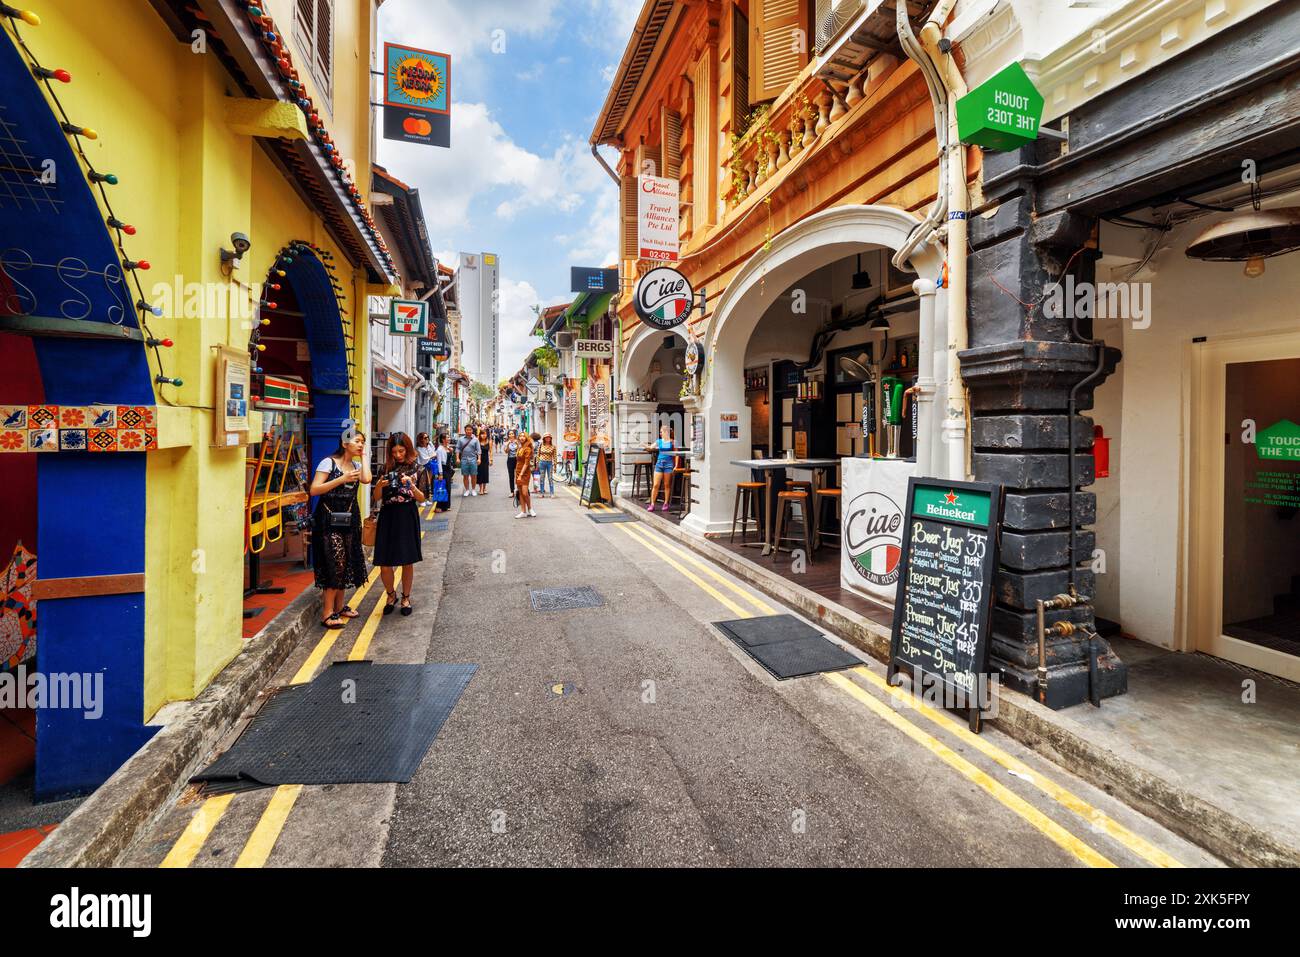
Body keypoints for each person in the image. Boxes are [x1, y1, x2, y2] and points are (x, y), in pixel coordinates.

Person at [309, 428, 372, 628]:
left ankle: (339, 607)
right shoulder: (328, 463)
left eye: (363, 441)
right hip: (328, 520)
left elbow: (367, 479)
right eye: (357, 441)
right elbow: (314, 489)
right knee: (334, 563)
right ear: (344, 443)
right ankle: (327, 612)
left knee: (345, 563)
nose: (361, 444)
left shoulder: (356, 465)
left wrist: (363, 457)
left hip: (349, 519)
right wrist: (341, 479)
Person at [372, 431, 428, 617]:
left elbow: (423, 498)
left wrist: (411, 486)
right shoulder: (385, 468)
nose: (398, 455)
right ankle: (390, 594)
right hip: (388, 515)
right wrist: (380, 484)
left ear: (408, 449)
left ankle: (406, 597)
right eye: (395, 451)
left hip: (407, 514)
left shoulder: (417, 469)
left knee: (407, 560)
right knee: (384, 562)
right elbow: (376, 498)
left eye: (401, 451)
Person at [643, 423, 676, 512]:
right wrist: (644, 445)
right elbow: (650, 448)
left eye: (661, 432)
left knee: (666, 485)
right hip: (659, 464)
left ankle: (666, 503)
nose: (660, 433)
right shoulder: (659, 441)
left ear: (666, 432)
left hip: (668, 465)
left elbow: (676, 454)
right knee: (656, 484)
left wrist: (675, 465)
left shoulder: (672, 442)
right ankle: (652, 504)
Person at [515, 432, 537, 518]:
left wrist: (521, 475)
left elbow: (526, 463)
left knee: (524, 492)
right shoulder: (520, 447)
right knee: (520, 491)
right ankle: (523, 511)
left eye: (523, 436)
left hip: (525, 472)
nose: (521, 438)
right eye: (520, 436)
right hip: (517, 471)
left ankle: (530, 508)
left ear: (526, 438)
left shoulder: (528, 448)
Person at [456, 425, 480, 497]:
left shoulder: (475, 439)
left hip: (473, 459)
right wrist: (457, 458)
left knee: (474, 475)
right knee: (465, 476)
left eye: (470, 430)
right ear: (465, 430)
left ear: (472, 431)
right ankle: (466, 490)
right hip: (464, 460)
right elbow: (458, 449)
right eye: (467, 430)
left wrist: (479, 459)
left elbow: (479, 450)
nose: (469, 431)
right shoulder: (461, 439)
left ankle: (473, 489)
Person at [432, 433, 451, 512]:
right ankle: (438, 506)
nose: (449, 438)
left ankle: (446, 506)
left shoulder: (447, 447)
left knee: (447, 488)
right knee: (442, 487)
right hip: (443, 469)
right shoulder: (440, 449)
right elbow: (439, 462)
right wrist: (440, 473)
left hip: (448, 469)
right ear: (443, 439)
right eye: (447, 437)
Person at [476, 427, 492, 495]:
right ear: (480, 435)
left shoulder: (489, 441)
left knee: (485, 473)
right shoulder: (477, 441)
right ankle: (480, 488)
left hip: (485, 459)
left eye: (485, 434)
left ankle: (484, 488)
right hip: (478, 459)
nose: (483, 435)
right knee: (479, 474)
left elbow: (490, 451)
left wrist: (491, 459)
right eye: (482, 434)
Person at [504, 428, 520, 499]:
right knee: (511, 476)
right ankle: (512, 491)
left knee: (518, 475)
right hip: (510, 460)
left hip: (517, 460)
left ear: (514, 434)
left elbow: (520, 451)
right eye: (510, 434)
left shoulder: (518, 442)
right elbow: (506, 452)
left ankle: (518, 490)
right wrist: (507, 445)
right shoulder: (506, 442)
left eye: (512, 434)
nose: (511, 435)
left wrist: (517, 445)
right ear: (508, 435)